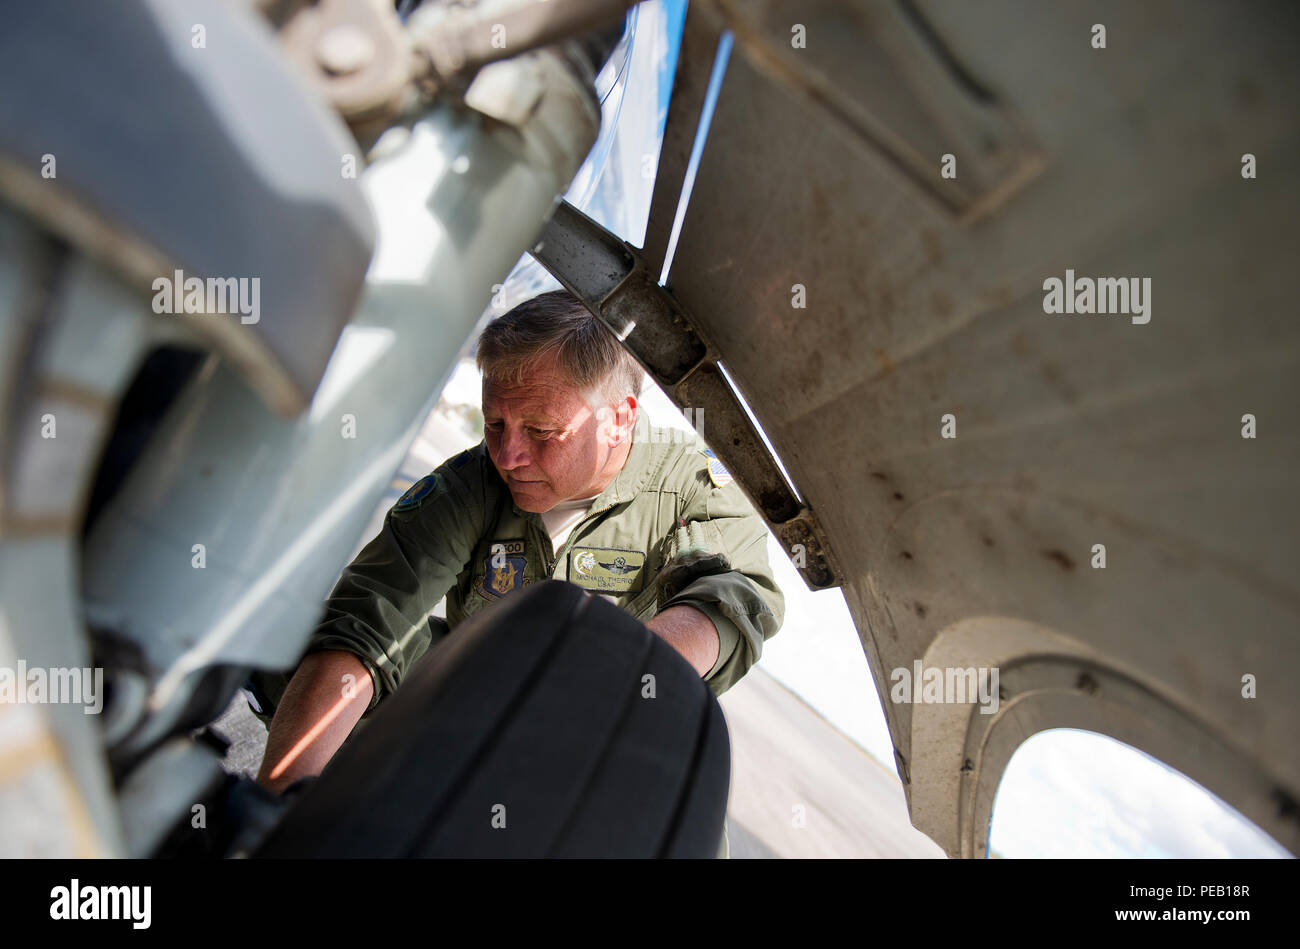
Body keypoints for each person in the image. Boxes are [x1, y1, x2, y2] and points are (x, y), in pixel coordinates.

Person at [255, 290, 784, 796]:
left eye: (540, 430)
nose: (508, 456)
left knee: (677, 789)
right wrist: (278, 802)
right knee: (314, 652)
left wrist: (614, 674)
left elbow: (736, 597)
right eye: (494, 424)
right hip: (477, 697)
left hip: (604, 737)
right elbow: (373, 622)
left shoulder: (692, 487)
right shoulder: (473, 483)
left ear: (619, 418)